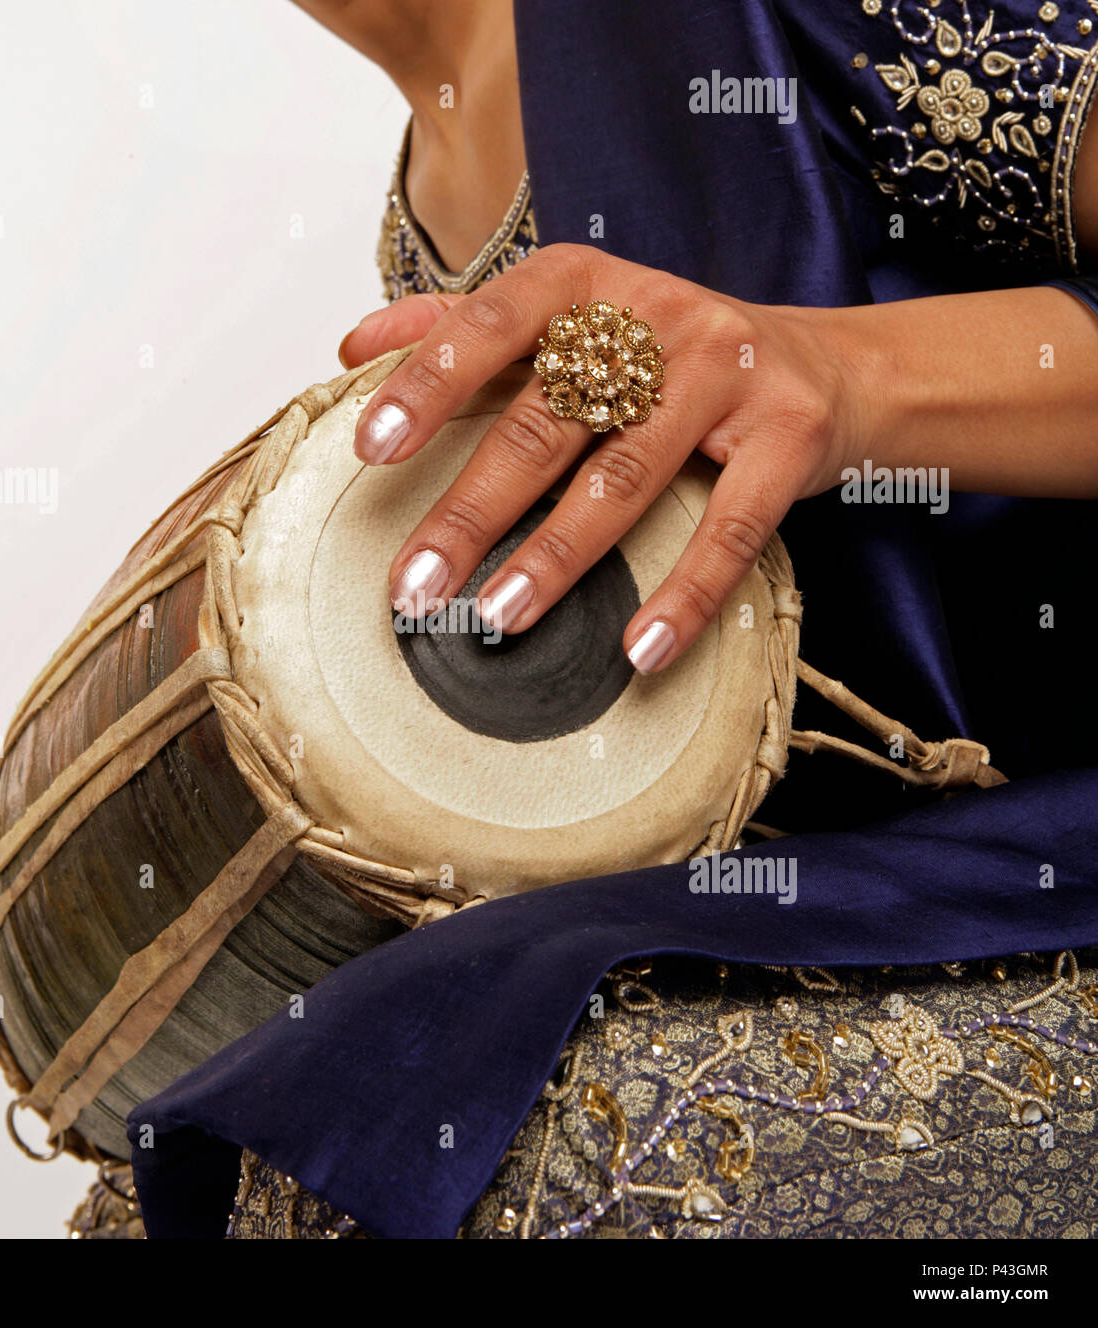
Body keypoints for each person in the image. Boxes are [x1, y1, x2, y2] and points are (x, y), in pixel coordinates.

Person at [127, 0, 1098, 1238]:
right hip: (829, 873)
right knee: (270, 1134)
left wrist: (844, 380)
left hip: (1046, 839)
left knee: (547, 1143)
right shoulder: (421, 191)